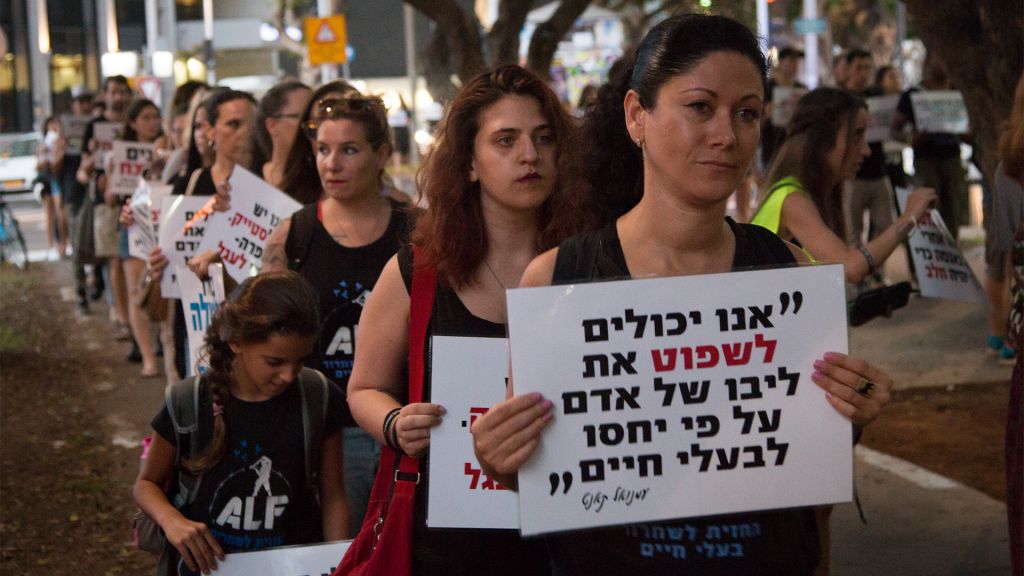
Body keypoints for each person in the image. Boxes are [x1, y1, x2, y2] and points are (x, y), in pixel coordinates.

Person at [471, 15, 896, 574]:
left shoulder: (787, 273)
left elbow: (808, 491)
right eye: (700, 107)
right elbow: (537, 474)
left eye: (747, 113)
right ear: (636, 116)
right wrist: (499, 457)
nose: (726, 135)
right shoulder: (558, 282)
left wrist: (850, 414)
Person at [346, 64, 587, 574]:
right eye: (506, 140)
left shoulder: (591, 266)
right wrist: (393, 423)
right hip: (444, 549)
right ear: (470, 163)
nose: (530, 155)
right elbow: (363, 387)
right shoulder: (418, 271)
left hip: (564, 543)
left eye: (544, 139)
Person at [259, 93, 412, 531]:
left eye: (349, 149)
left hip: (395, 427)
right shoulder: (295, 233)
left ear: (380, 153)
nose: (332, 163)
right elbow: (261, 324)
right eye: (323, 150)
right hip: (317, 428)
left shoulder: (415, 230)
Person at [132, 271, 349, 575]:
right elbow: (146, 484)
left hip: (293, 565)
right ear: (235, 342)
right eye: (274, 362)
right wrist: (171, 520)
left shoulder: (320, 397)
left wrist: (335, 562)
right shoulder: (188, 402)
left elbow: (333, 493)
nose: (289, 375)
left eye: (300, 361)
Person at [751, 87, 937, 284]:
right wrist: (908, 218)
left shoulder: (810, 194)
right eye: (857, 135)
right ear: (822, 138)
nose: (866, 150)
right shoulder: (792, 199)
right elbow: (848, 268)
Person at [109, 99, 169, 377]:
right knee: (137, 292)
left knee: (163, 290)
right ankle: (147, 357)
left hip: (164, 223)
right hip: (134, 226)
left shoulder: (171, 147)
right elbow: (110, 196)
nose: (152, 122)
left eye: (155, 116)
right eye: (145, 117)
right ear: (133, 123)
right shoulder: (118, 156)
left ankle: (161, 342)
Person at [76, 75, 132, 331]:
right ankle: (121, 314)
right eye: (113, 92)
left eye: (122, 92)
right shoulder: (95, 127)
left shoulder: (136, 123)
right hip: (107, 204)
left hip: (135, 200)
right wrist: (91, 167)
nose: (118, 97)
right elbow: (82, 171)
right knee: (115, 261)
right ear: (105, 96)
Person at [892, 56, 967, 240]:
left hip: (952, 159)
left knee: (952, 210)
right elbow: (894, 129)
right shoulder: (913, 94)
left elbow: (968, 128)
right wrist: (912, 138)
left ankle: (951, 248)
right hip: (926, 161)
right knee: (928, 210)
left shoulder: (956, 91)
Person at [842, 49, 898, 280]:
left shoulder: (877, 94)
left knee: (885, 225)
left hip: (878, 171)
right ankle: (858, 278)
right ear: (847, 69)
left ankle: (878, 273)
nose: (863, 73)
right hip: (853, 176)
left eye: (867, 68)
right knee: (852, 231)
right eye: (859, 67)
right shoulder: (841, 99)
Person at [252, 80, 312, 188]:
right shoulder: (249, 180)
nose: (311, 124)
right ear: (272, 125)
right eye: (303, 117)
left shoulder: (320, 182)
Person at [35, 115, 69, 260]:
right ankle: (51, 246)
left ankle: (64, 243)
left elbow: (58, 163)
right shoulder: (42, 144)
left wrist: (59, 149)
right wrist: (43, 153)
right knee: (49, 214)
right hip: (46, 180)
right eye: (50, 124)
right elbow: (37, 165)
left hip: (59, 178)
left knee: (61, 213)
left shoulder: (63, 142)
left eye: (55, 124)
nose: (53, 127)